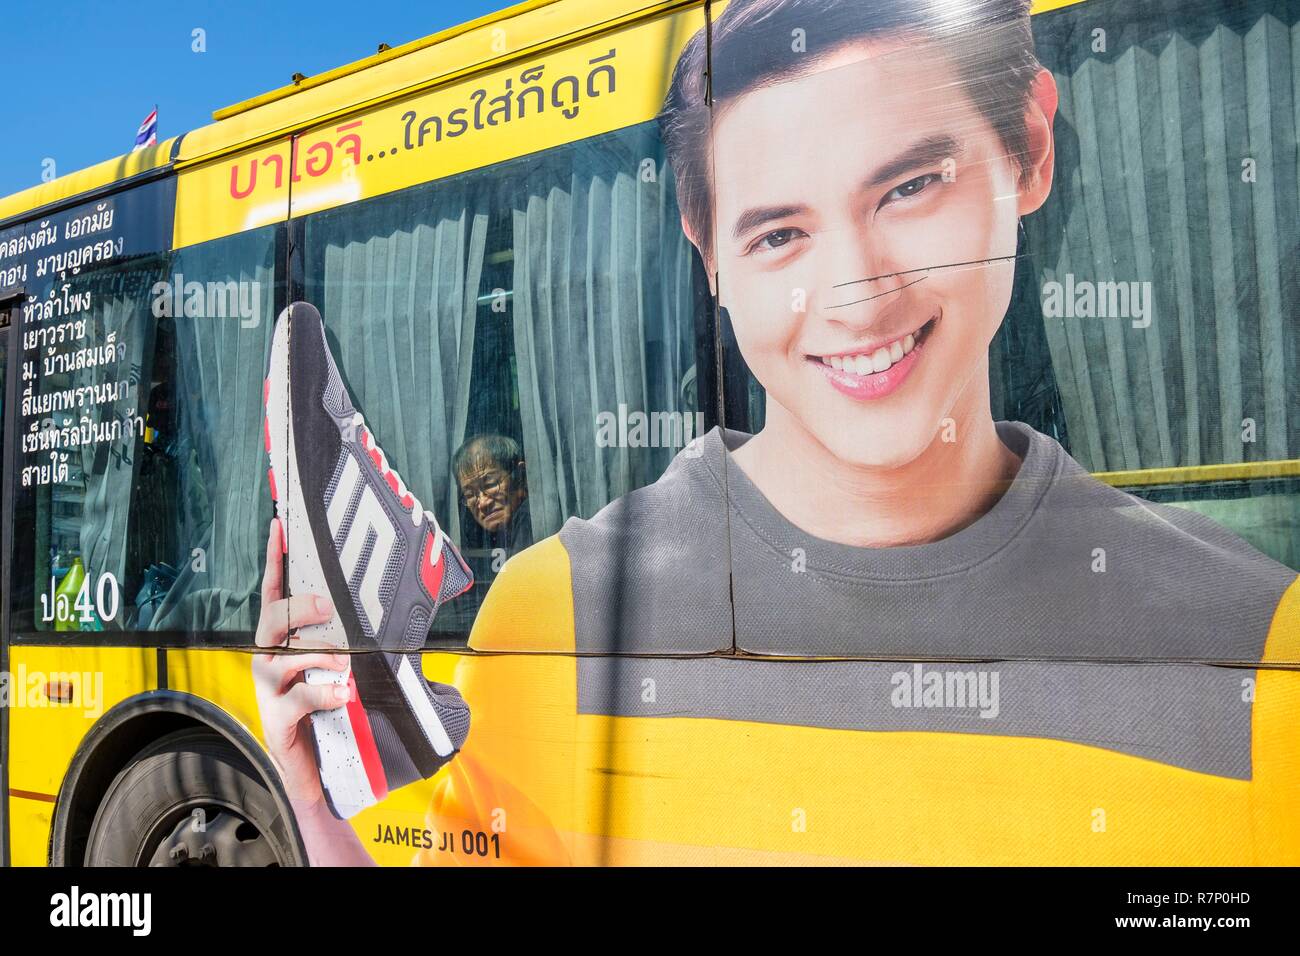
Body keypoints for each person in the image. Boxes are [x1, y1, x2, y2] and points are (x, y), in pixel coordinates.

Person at [254, 0, 1300, 865]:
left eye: (908, 186)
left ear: (1027, 147)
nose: (853, 297)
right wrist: (320, 811)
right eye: (780, 232)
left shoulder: (1261, 643)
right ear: (707, 248)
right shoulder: (550, 615)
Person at [452, 434, 533, 554]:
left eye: (490, 485)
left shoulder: (533, 522)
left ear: (520, 477)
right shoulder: (487, 539)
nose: (483, 503)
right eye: (469, 495)